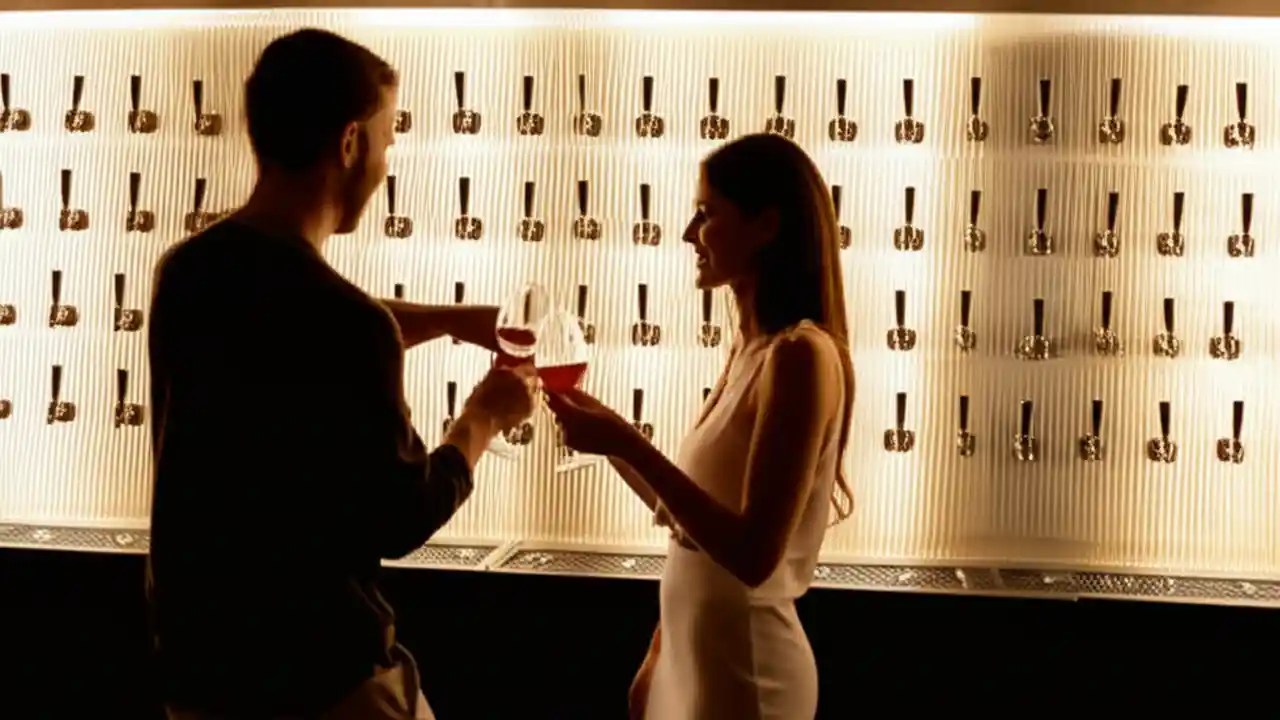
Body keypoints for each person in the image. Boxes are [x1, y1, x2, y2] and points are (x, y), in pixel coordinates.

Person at [146, 29, 536, 720]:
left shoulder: (187, 273)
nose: (386, 162)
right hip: (321, 679)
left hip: (200, 672)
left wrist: (444, 319)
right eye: (387, 141)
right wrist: (485, 416)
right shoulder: (345, 322)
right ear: (350, 142)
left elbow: (285, 323)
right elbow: (402, 514)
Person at [546, 133, 856, 720]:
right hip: (697, 664)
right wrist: (657, 657)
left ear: (766, 225)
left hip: (749, 671)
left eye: (707, 214)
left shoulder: (800, 355)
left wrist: (626, 442)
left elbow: (751, 554)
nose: (690, 234)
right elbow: (689, 529)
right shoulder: (749, 349)